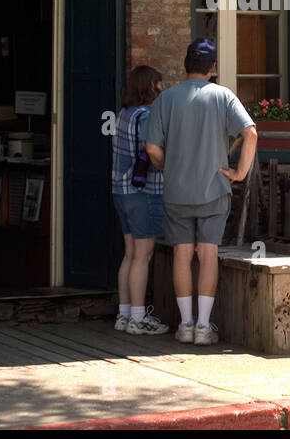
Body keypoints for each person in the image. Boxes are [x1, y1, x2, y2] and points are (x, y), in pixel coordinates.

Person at [144, 39, 257, 345]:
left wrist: (169, 167)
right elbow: (251, 133)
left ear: (185, 63)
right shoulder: (223, 96)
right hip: (214, 188)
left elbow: (151, 147)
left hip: (176, 191)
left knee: (182, 254)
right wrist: (240, 172)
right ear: (213, 67)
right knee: (207, 254)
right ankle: (204, 327)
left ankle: (185, 324)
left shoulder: (166, 99)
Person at [110, 65, 169, 335]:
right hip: (143, 192)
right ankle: (138, 318)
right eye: (158, 83)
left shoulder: (124, 113)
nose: (161, 88)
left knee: (130, 254)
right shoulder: (146, 114)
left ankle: (123, 315)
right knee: (143, 256)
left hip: (121, 191)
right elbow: (151, 149)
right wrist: (167, 165)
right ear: (149, 86)